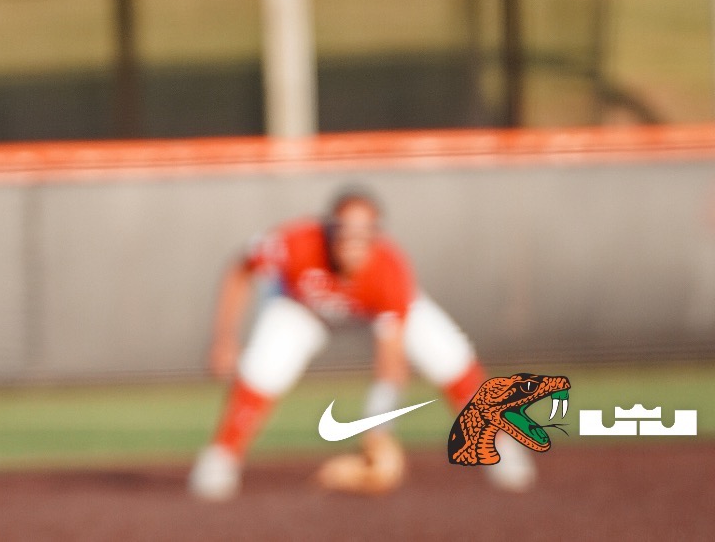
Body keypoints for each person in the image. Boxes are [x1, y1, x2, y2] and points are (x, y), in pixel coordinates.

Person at [188, 188, 537, 500]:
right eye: (345, 232)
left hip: (370, 310)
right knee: (265, 364)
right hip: (305, 306)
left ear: (376, 236)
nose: (353, 243)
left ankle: (499, 444)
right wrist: (224, 337)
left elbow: (391, 359)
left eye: (363, 234)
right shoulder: (296, 243)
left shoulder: (389, 269)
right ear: (330, 229)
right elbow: (240, 269)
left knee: (447, 353)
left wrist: (377, 429)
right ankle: (222, 456)